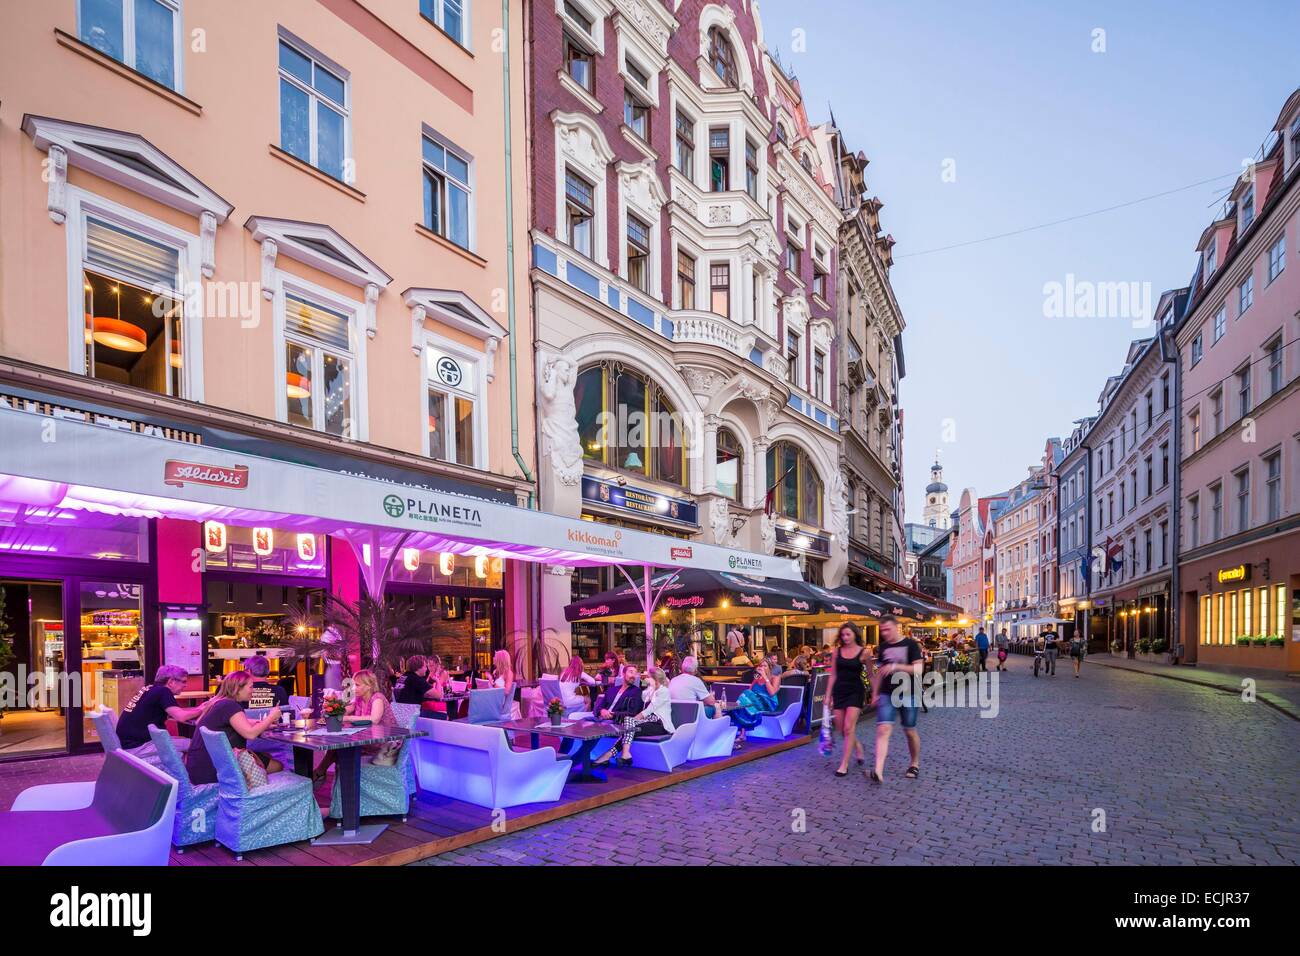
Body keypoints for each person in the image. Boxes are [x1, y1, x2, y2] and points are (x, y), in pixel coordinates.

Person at [184, 671, 283, 785]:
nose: (253, 690)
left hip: (201, 767)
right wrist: (270, 717)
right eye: (251, 687)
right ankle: (263, 795)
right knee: (278, 766)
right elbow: (250, 734)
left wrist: (260, 722)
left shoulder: (218, 702)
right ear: (238, 688)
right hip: (216, 770)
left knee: (266, 756)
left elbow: (233, 722)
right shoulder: (230, 705)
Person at [314, 669, 400, 781]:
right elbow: (346, 709)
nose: (353, 688)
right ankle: (322, 774)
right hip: (367, 739)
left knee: (340, 748)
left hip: (383, 742)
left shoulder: (377, 698)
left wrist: (347, 718)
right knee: (338, 747)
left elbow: (374, 720)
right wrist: (332, 710)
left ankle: (319, 774)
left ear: (369, 686)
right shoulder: (359, 699)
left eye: (357, 685)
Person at [868, 615, 923, 783]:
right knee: (883, 729)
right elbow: (880, 672)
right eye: (882, 630)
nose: (884, 633)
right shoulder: (883, 647)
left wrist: (896, 666)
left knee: (909, 730)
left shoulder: (911, 644)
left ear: (896, 627)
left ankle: (914, 763)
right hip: (887, 693)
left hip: (909, 693)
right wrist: (875, 693)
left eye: (887, 629)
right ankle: (878, 770)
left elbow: (919, 669)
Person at [116, 664, 211, 750]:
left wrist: (198, 708)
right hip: (138, 746)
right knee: (198, 745)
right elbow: (181, 717)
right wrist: (203, 709)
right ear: (171, 682)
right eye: (183, 682)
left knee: (183, 740)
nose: (185, 685)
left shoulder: (150, 689)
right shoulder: (163, 692)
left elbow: (174, 713)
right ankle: (188, 769)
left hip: (127, 743)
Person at [600, 667, 675, 767]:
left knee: (629, 728)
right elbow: (643, 697)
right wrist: (648, 687)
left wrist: (633, 720)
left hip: (660, 724)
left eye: (648, 677)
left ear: (655, 679)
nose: (645, 679)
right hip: (649, 721)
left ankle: (609, 755)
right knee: (629, 729)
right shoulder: (652, 690)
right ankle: (623, 754)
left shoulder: (664, 691)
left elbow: (649, 710)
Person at [824, 622, 870, 777]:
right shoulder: (837, 652)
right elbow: (833, 674)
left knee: (849, 728)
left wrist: (876, 692)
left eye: (848, 634)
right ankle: (857, 746)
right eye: (843, 635)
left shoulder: (864, 652)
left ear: (855, 634)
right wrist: (828, 694)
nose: (845, 637)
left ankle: (844, 764)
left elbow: (870, 674)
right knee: (842, 730)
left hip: (855, 691)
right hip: (839, 691)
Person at [726, 659, 780, 747]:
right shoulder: (757, 677)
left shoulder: (775, 677)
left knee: (744, 700)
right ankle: (742, 734)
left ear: (770, 668)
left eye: (765, 666)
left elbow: (772, 693)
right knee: (744, 704)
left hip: (768, 703)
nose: (762, 668)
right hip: (756, 701)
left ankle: (736, 715)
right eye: (761, 666)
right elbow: (750, 690)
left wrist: (765, 677)